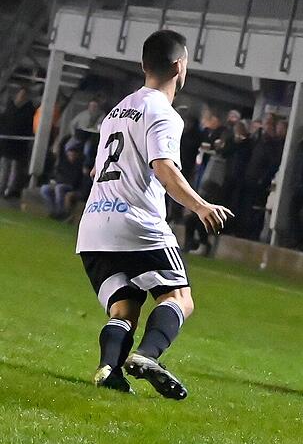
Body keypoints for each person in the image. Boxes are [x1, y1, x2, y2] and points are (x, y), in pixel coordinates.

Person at [76, 30, 233, 399]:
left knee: (125, 306)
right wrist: (200, 205)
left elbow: (98, 170)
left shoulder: (118, 110)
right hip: (136, 223)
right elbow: (162, 165)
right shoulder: (163, 112)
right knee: (179, 298)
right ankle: (147, 356)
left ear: (144, 65)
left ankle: (109, 371)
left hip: (94, 225)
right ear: (180, 66)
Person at [0, 86, 37, 199]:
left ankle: (10, 190)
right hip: (7, 142)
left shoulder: (29, 109)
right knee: (5, 167)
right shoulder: (10, 106)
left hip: (19, 144)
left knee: (15, 168)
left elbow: (29, 125)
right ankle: (1, 187)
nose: (21, 96)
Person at [41, 138, 89, 219]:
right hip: (61, 184)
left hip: (73, 187)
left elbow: (76, 181)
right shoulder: (63, 162)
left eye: (74, 152)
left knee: (59, 188)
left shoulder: (80, 164)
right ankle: (53, 211)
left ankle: (61, 212)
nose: (71, 154)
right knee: (45, 189)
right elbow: (56, 175)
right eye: (70, 152)